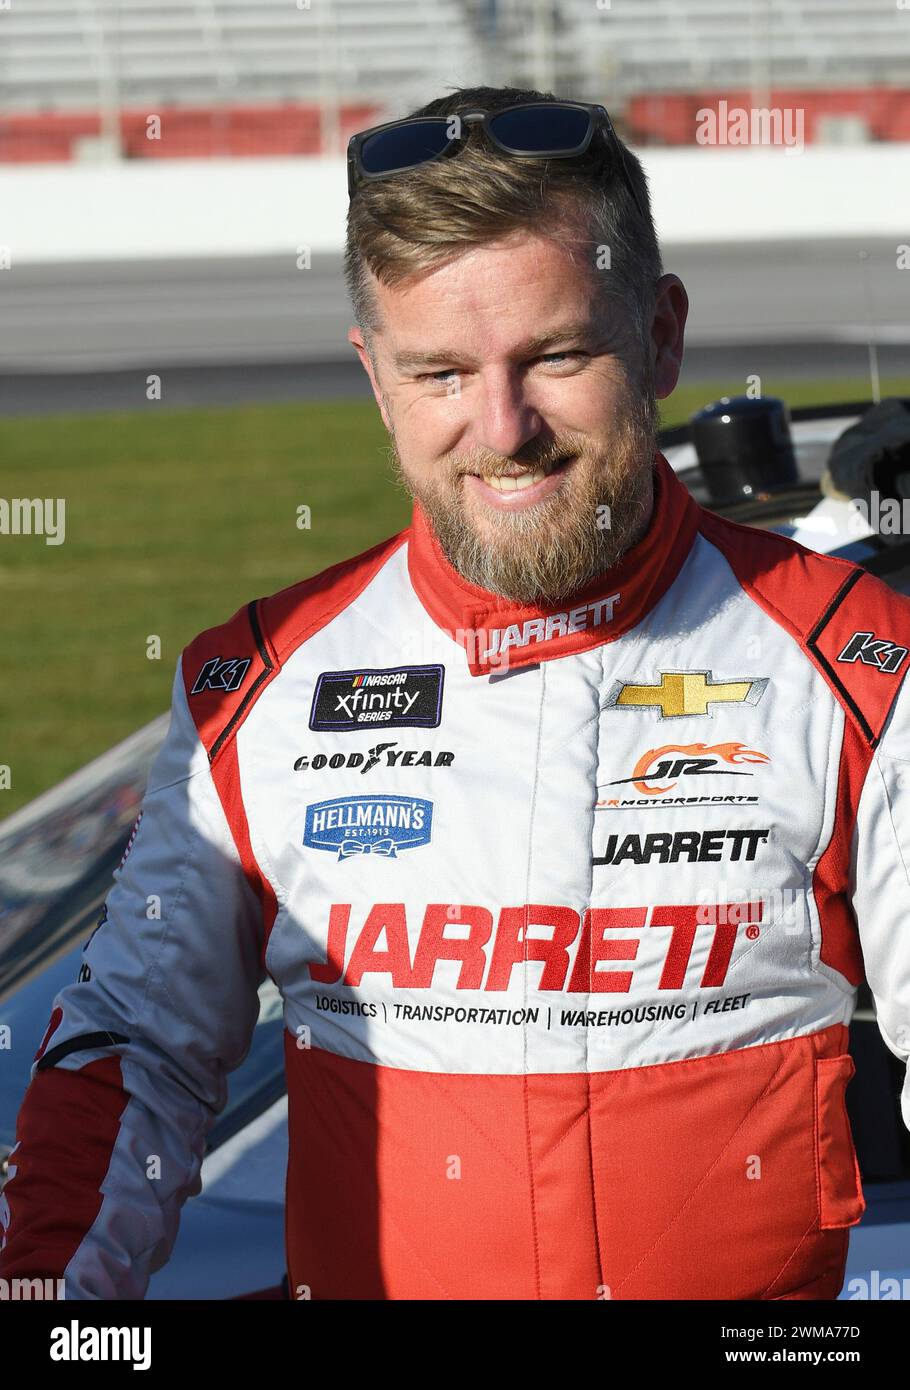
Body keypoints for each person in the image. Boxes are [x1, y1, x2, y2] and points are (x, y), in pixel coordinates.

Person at [2, 84, 909, 1301]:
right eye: (439, 372)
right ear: (375, 379)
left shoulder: (863, 664)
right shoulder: (256, 685)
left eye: (557, 356)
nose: (502, 427)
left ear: (662, 335)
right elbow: (137, 1046)